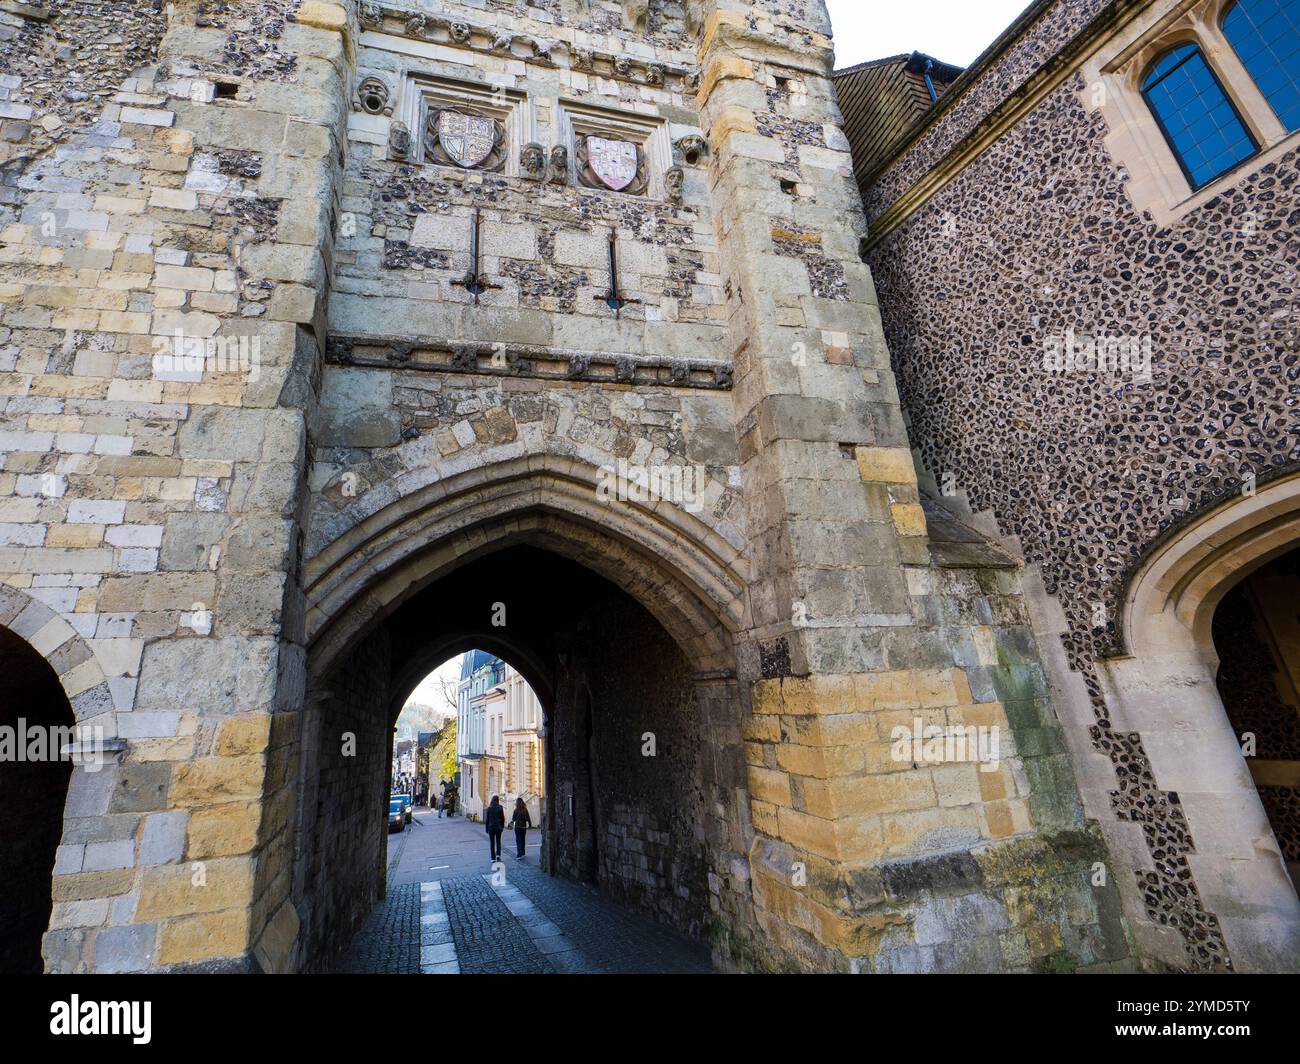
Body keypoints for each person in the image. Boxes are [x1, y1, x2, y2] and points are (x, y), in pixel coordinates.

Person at [485, 795, 505, 861]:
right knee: (498, 842)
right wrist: (502, 826)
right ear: (498, 800)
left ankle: (493, 858)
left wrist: (486, 828)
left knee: (492, 843)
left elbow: (487, 819)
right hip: (498, 827)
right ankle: (498, 855)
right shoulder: (500, 808)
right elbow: (503, 818)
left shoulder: (489, 808)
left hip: (491, 828)